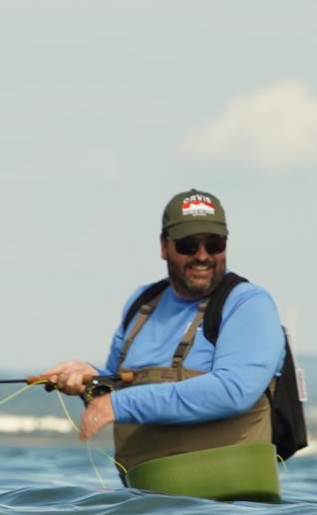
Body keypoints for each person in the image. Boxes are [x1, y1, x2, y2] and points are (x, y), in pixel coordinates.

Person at [35, 189, 290, 486]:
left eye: (214, 244)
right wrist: (89, 381)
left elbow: (234, 391)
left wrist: (119, 405)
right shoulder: (141, 304)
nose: (202, 256)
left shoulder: (249, 304)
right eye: (188, 245)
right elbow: (114, 393)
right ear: (163, 246)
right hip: (145, 508)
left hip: (230, 508)